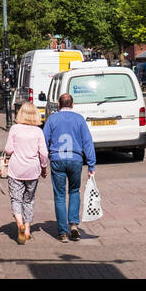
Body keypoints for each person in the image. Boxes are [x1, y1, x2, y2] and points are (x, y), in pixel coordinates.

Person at [43, 93, 96, 242]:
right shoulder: (79, 119)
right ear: (72, 105)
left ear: (59, 105)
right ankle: (73, 224)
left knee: (59, 196)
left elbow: (44, 140)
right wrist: (91, 164)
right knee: (74, 191)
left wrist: (42, 162)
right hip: (75, 159)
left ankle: (62, 232)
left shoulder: (52, 119)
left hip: (57, 160)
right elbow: (87, 142)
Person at [4, 101, 49, 244]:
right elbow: (44, 153)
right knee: (29, 200)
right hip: (32, 170)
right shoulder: (38, 131)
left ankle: (19, 224)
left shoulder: (15, 129)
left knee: (16, 199)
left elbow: (8, 150)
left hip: (16, 169)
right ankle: (28, 229)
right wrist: (43, 167)